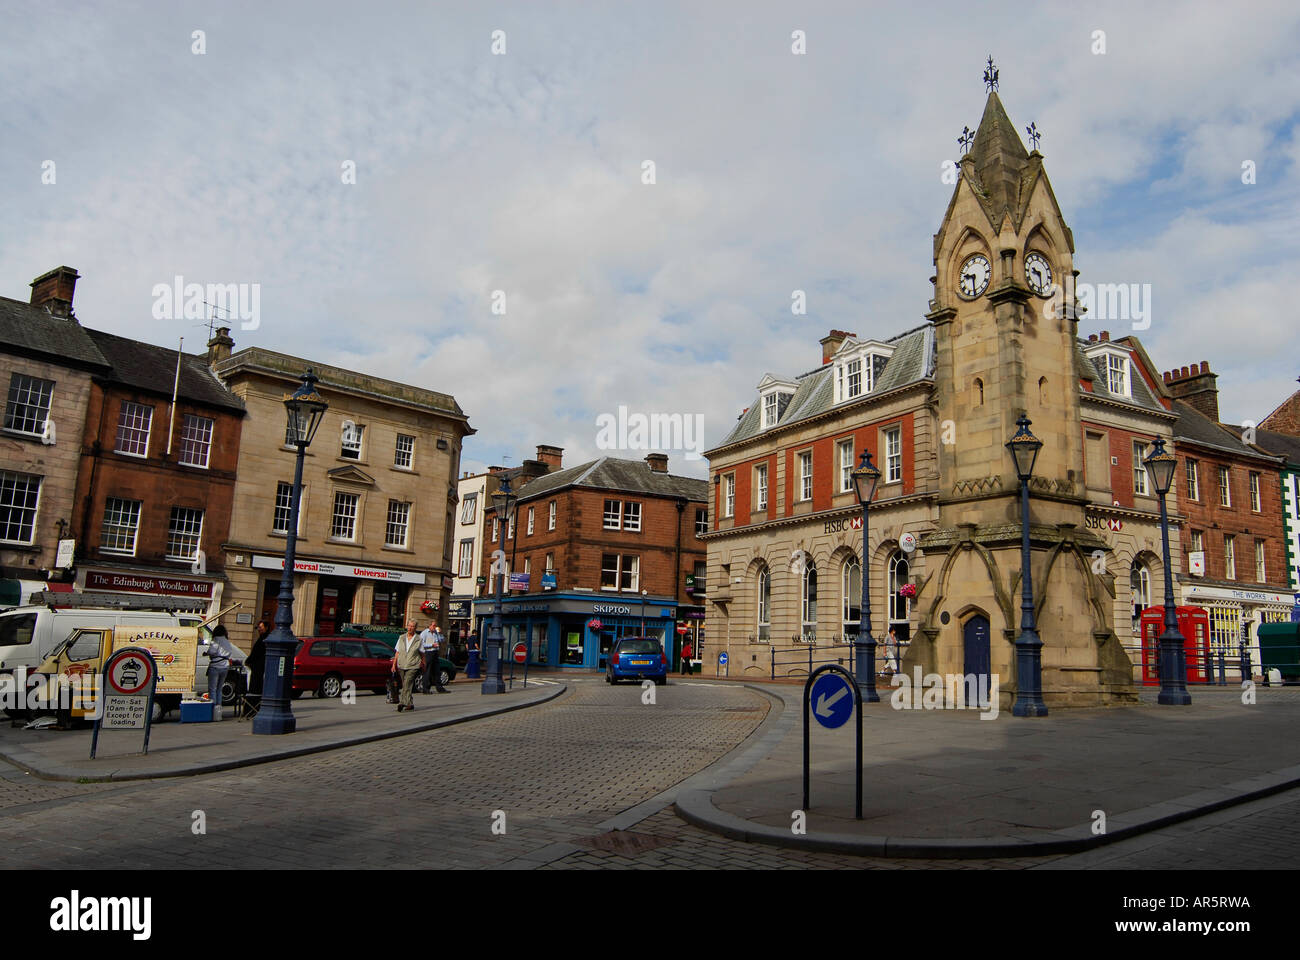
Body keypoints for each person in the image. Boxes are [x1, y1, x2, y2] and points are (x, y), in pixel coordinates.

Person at [206, 624, 242, 721]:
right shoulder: (227, 641)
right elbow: (229, 652)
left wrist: (207, 653)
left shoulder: (216, 640)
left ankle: (212, 711)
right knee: (219, 689)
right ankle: (219, 712)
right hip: (225, 666)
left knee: (212, 689)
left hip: (215, 665)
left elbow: (212, 651)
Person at [391, 620, 424, 712]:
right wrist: (394, 665)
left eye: (412, 626)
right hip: (401, 664)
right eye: (409, 626)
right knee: (406, 684)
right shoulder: (401, 637)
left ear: (415, 628)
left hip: (413, 664)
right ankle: (410, 703)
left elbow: (422, 653)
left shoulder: (419, 639)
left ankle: (402, 702)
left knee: (407, 683)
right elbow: (397, 652)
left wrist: (423, 664)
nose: (410, 628)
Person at [420, 621, 449, 693]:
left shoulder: (436, 633)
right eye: (433, 625)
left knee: (437, 671)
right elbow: (421, 644)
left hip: (435, 652)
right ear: (429, 626)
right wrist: (431, 645)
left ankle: (439, 687)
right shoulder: (424, 633)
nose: (434, 627)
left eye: (435, 625)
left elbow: (442, 640)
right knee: (428, 671)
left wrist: (440, 633)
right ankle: (426, 688)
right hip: (428, 653)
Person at [248, 620, 269, 696]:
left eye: (261, 627)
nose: (259, 629)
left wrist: (249, 660)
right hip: (257, 666)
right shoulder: (261, 638)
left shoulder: (265, 639)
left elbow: (257, 652)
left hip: (259, 666)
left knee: (257, 685)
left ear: (266, 628)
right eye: (258, 628)